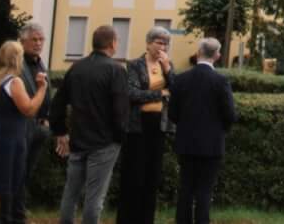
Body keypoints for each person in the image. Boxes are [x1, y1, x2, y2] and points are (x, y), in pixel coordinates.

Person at [50, 25, 136, 224]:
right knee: (95, 198)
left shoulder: (76, 67)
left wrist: (60, 130)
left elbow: (58, 102)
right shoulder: (116, 70)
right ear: (112, 43)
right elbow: (120, 109)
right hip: (104, 142)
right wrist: (121, 137)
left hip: (78, 139)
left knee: (70, 193)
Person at [0, 39, 50, 224]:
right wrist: (42, 89)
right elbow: (29, 109)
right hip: (7, 141)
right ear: (17, 59)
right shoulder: (14, 82)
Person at [170, 37, 236, 224]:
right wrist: (220, 130)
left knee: (185, 188)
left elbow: (173, 114)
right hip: (212, 144)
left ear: (198, 53)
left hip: (186, 143)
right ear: (217, 55)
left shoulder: (181, 79)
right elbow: (230, 114)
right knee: (205, 190)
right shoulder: (220, 80)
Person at [117, 27, 174, 224]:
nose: (162, 46)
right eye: (159, 42)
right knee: (134, 175)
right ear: (148, 43)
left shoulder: (167, 65)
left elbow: (177, 91)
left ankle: (146, 219)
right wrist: (160, 93)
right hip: (137, 125)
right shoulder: (134, 64)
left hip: (159, 125)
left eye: (165, 43)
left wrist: (168, 70)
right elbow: (132, 93)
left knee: (152, 175)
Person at [2, 23, 53, 224]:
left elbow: (46, 92)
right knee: (16, 174)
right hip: (21, 125)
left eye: (41, 39)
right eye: (34, 39)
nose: (39, 43)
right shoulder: (16, 64)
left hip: (39, 127)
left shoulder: (39, 62)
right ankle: (14, 215)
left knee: (26, 175)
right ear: (22, 41)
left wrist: (46, 120)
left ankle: (17, 212)